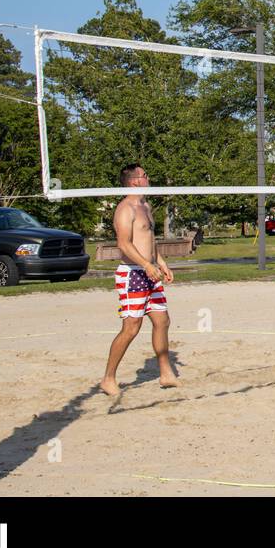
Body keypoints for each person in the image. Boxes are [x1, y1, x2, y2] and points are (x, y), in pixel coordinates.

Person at [100, 164, 178, 396]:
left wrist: (160, 263)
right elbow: (124, 244)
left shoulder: (146, 205)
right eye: (144, 175)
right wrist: (145, 264)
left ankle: (165, 373)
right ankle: (108, 378)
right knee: (132, 327)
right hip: (133, 273)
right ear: (134, 181)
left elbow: (149, 240)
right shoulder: (126, 208)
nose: (148, 178)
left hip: (150, 271)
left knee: (162, 321)